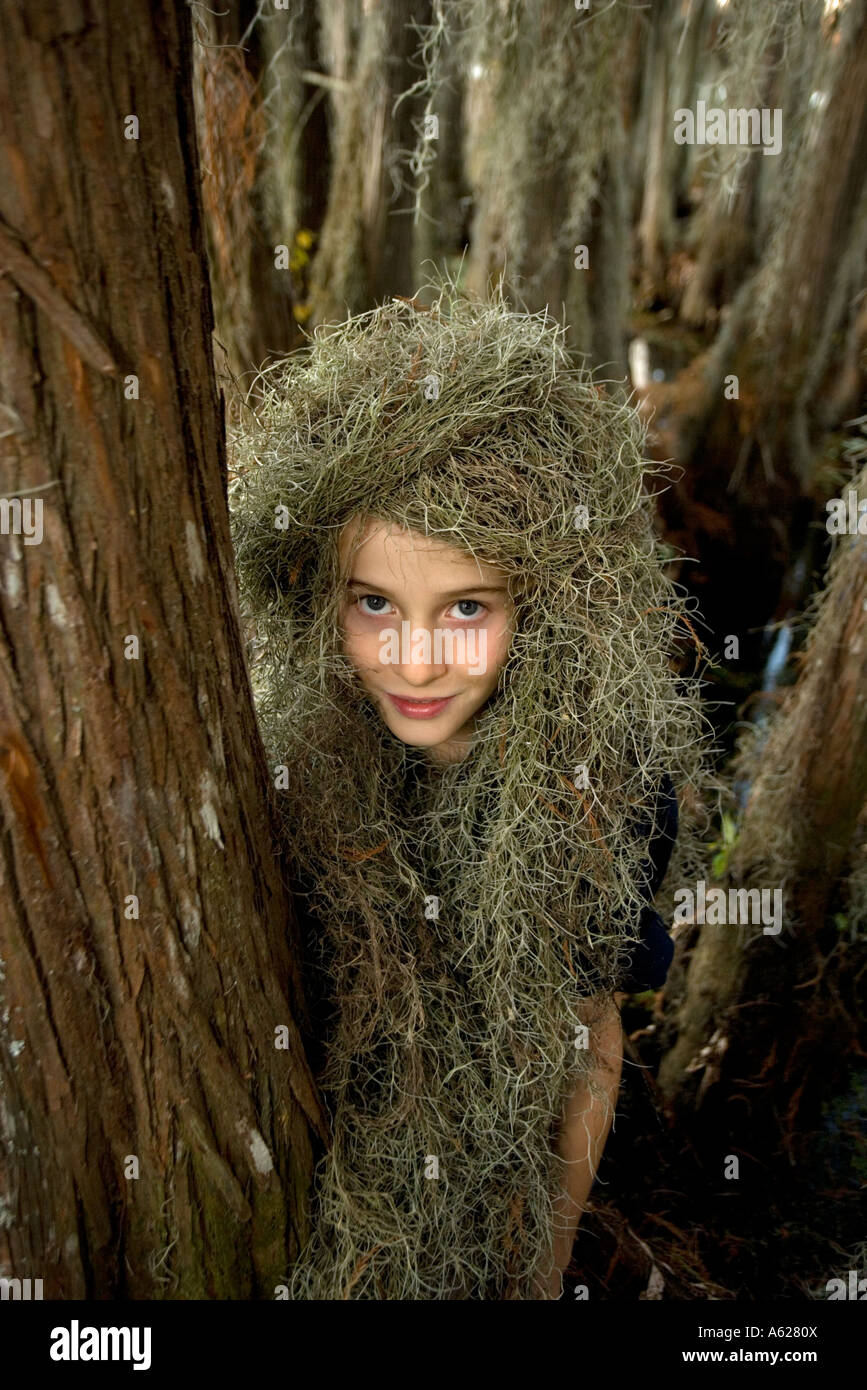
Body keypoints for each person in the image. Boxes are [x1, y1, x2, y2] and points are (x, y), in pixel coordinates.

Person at [230, 272, 712, 1300]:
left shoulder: (604, 788)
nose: (411, 659)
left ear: (543, 603)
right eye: (373, 601)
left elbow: (591, 1041)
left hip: (493, 1168)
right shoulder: (295, 749)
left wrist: (541, 1268)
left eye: (464, 609)